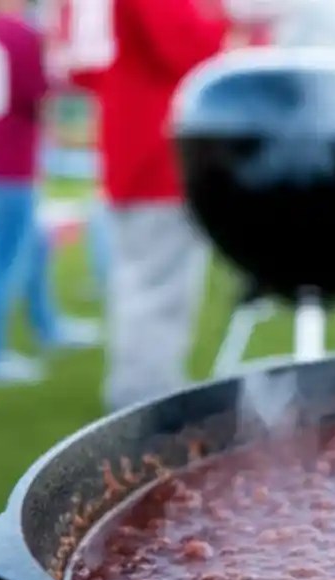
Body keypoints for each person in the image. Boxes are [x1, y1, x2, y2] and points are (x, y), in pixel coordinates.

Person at [73, 0, 233, 410]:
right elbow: (189, 44)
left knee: (145, 285)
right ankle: (146, 403)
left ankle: (148, 389)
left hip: (135, 144)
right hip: (154, 153)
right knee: (158, 290)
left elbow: (83, 68)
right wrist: (224, 21)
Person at [0, 0, 97, 386]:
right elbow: (38, 92)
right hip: (9, 160)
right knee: (3, 261)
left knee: (36, 242)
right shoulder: (21, 34)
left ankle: (47, 324)